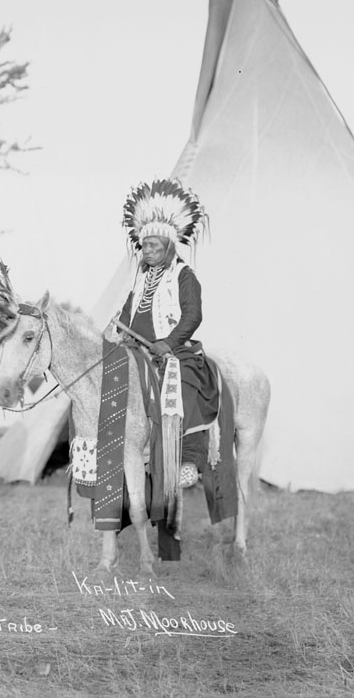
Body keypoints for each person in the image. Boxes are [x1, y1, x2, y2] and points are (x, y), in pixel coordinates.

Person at [109, 179, 218, 488]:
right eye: (144, 246)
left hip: (174, 350)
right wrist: (119, 334)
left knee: (185, 381)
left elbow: (193, 315)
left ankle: (188, 458)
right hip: (137, 349)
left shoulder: (184, 276)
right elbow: (127, 315)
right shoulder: (140, 280)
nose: (147, 251)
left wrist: (168, 342)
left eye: (154, 246)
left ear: (169, 246)